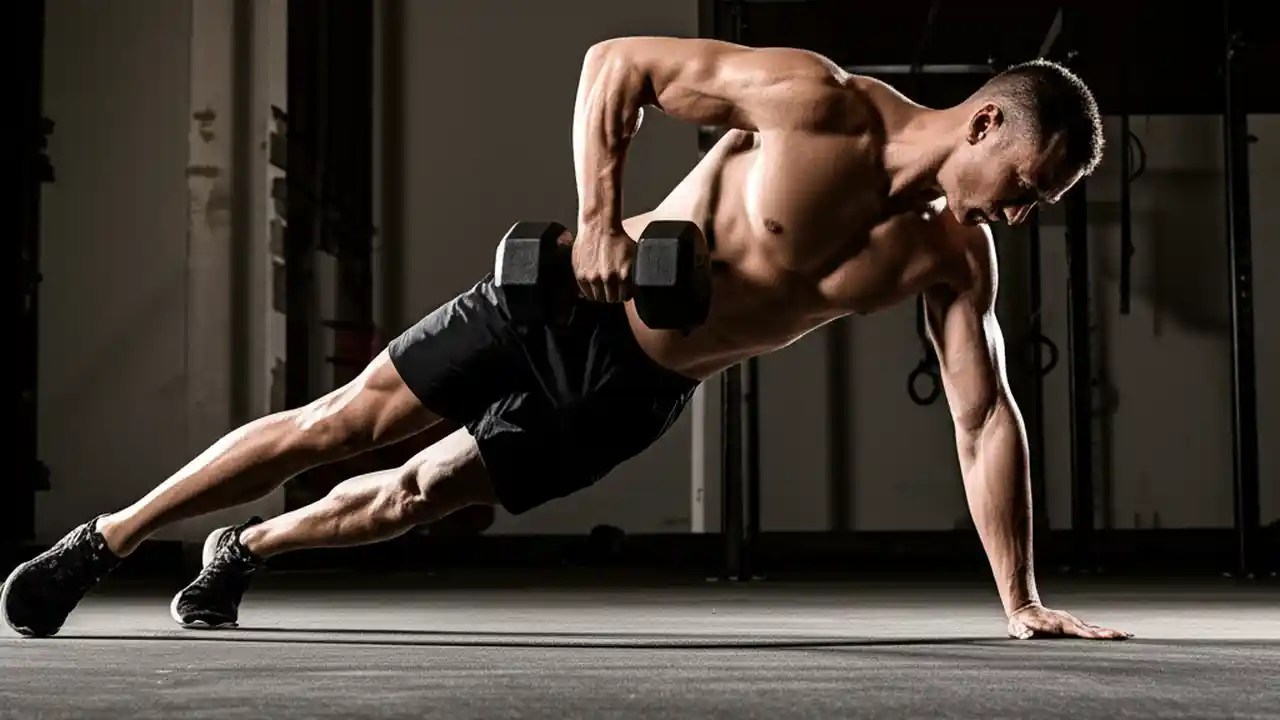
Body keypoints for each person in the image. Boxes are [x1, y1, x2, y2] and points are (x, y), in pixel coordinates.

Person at [2, 37, 1130, 641]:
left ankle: (242, 554)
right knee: (336, 424)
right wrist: (597, 216)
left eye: (1034, 206)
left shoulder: (948, 257)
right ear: (987, 120)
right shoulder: (813, 101)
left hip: (634, 391)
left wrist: (1018, 600)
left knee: (410, 497)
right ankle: (105, 542)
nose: (1014, 215)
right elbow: (615, 65)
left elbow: (983, 419)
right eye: (1023, 188)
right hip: (562, 307)